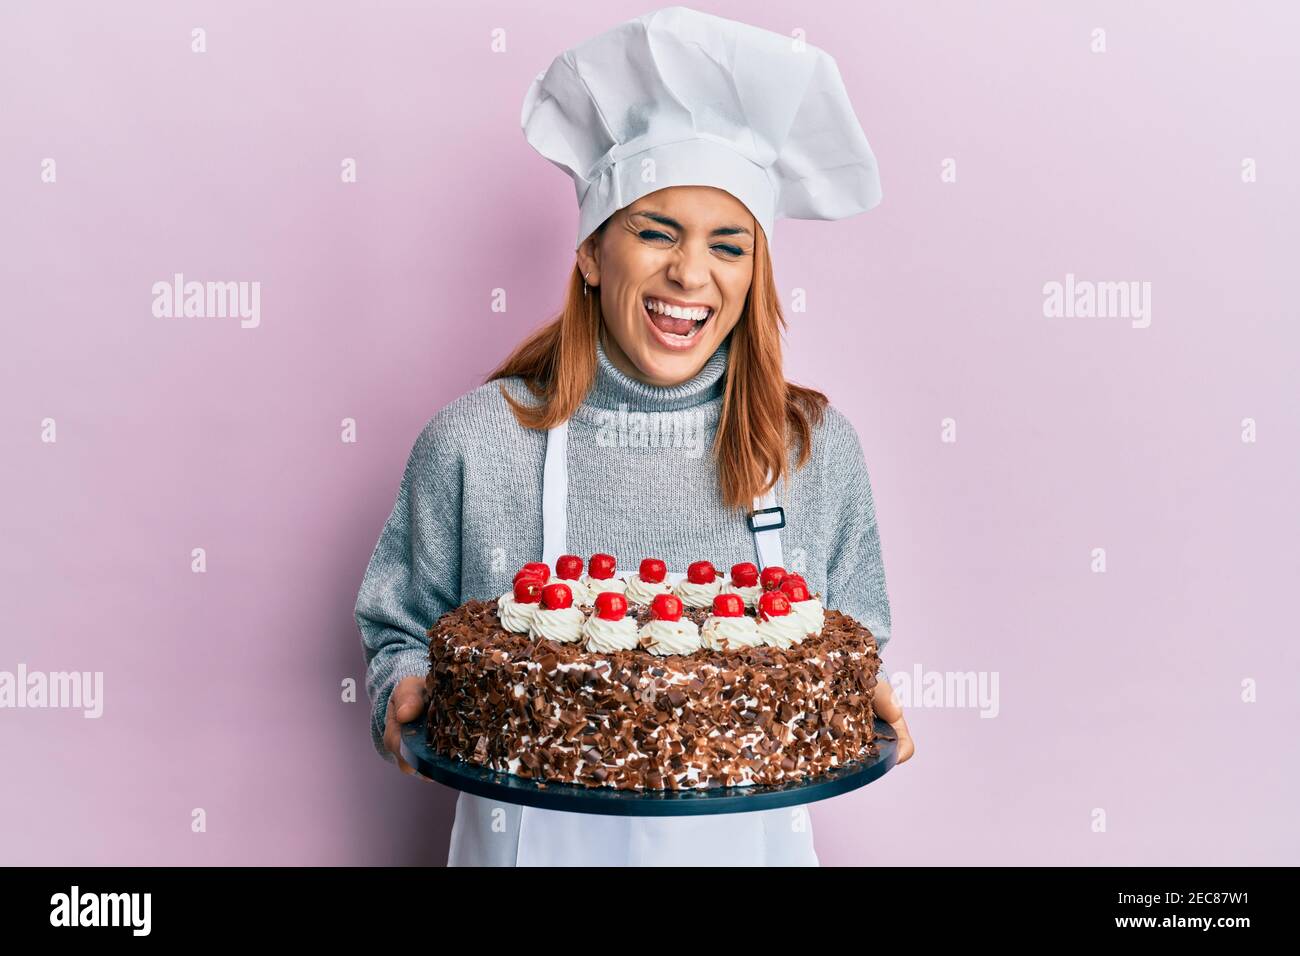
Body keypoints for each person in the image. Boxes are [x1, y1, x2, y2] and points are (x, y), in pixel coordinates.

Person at [355, 5, 914, 867]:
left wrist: (861, 693)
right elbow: (400, 631)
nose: (690, 274)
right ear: (590, 251)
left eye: (729, 246)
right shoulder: (475, 443)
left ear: (755, 269)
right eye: (655, 233)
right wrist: (401, 688)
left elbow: (855, 639)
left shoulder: (812, 448)